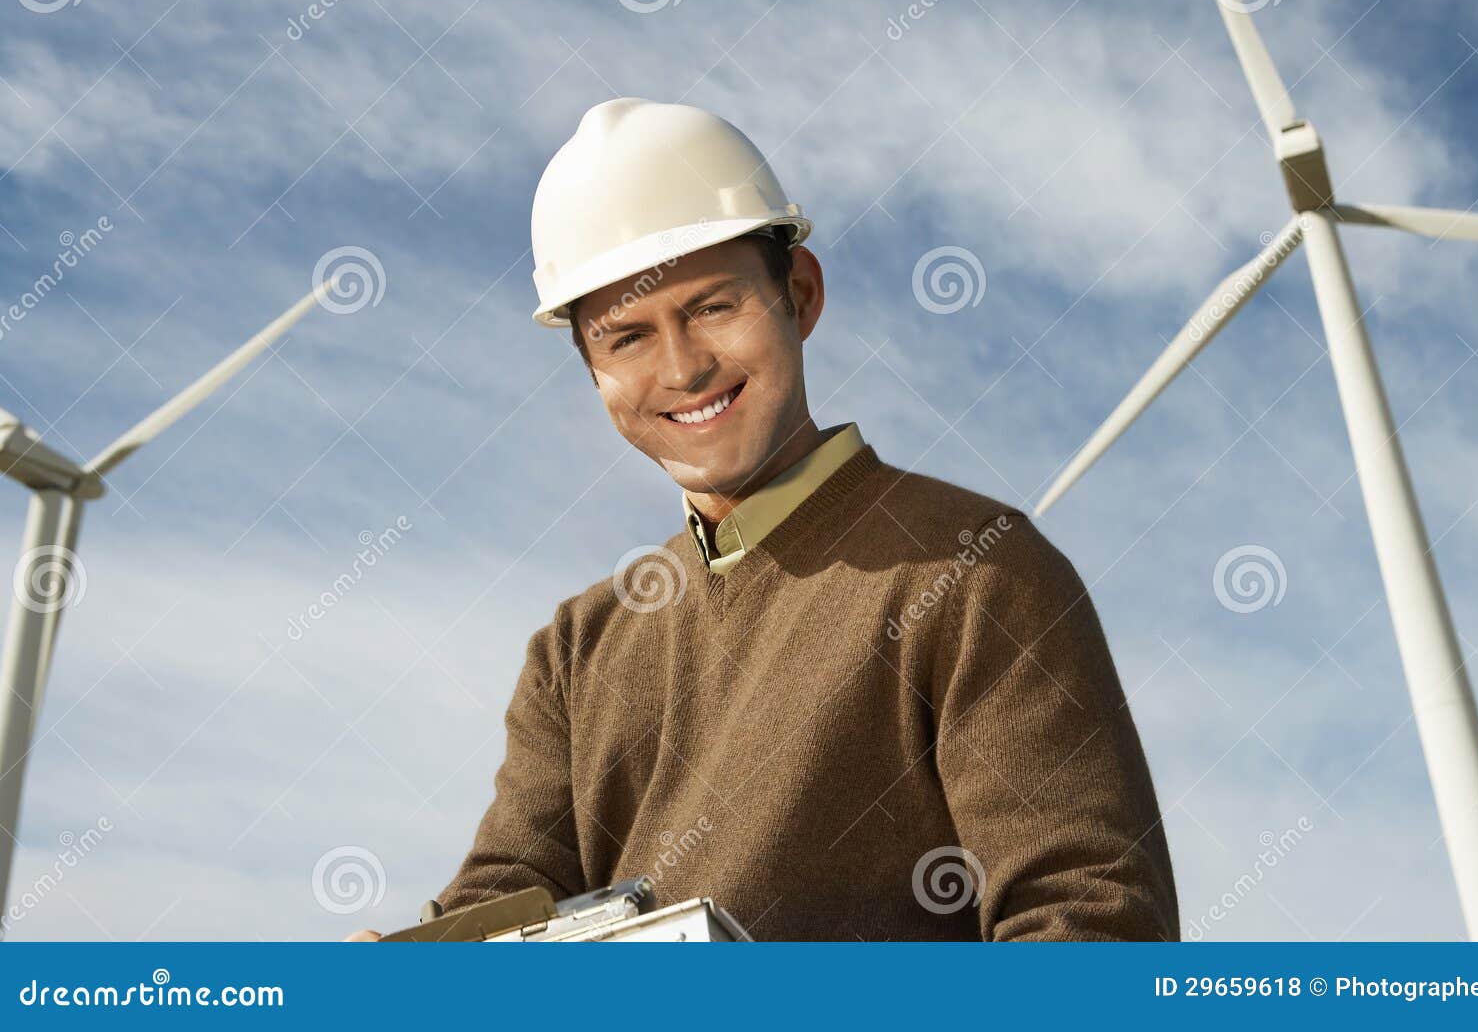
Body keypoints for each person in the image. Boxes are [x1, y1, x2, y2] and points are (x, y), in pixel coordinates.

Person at [347, 98, 1177, 941]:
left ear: (801, 295)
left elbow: (1088, 923)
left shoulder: (976, 573)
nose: (682, 368)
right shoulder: (576, 652)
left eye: (713, 308)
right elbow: (509, 897)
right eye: (626, 339)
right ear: (592, 373)